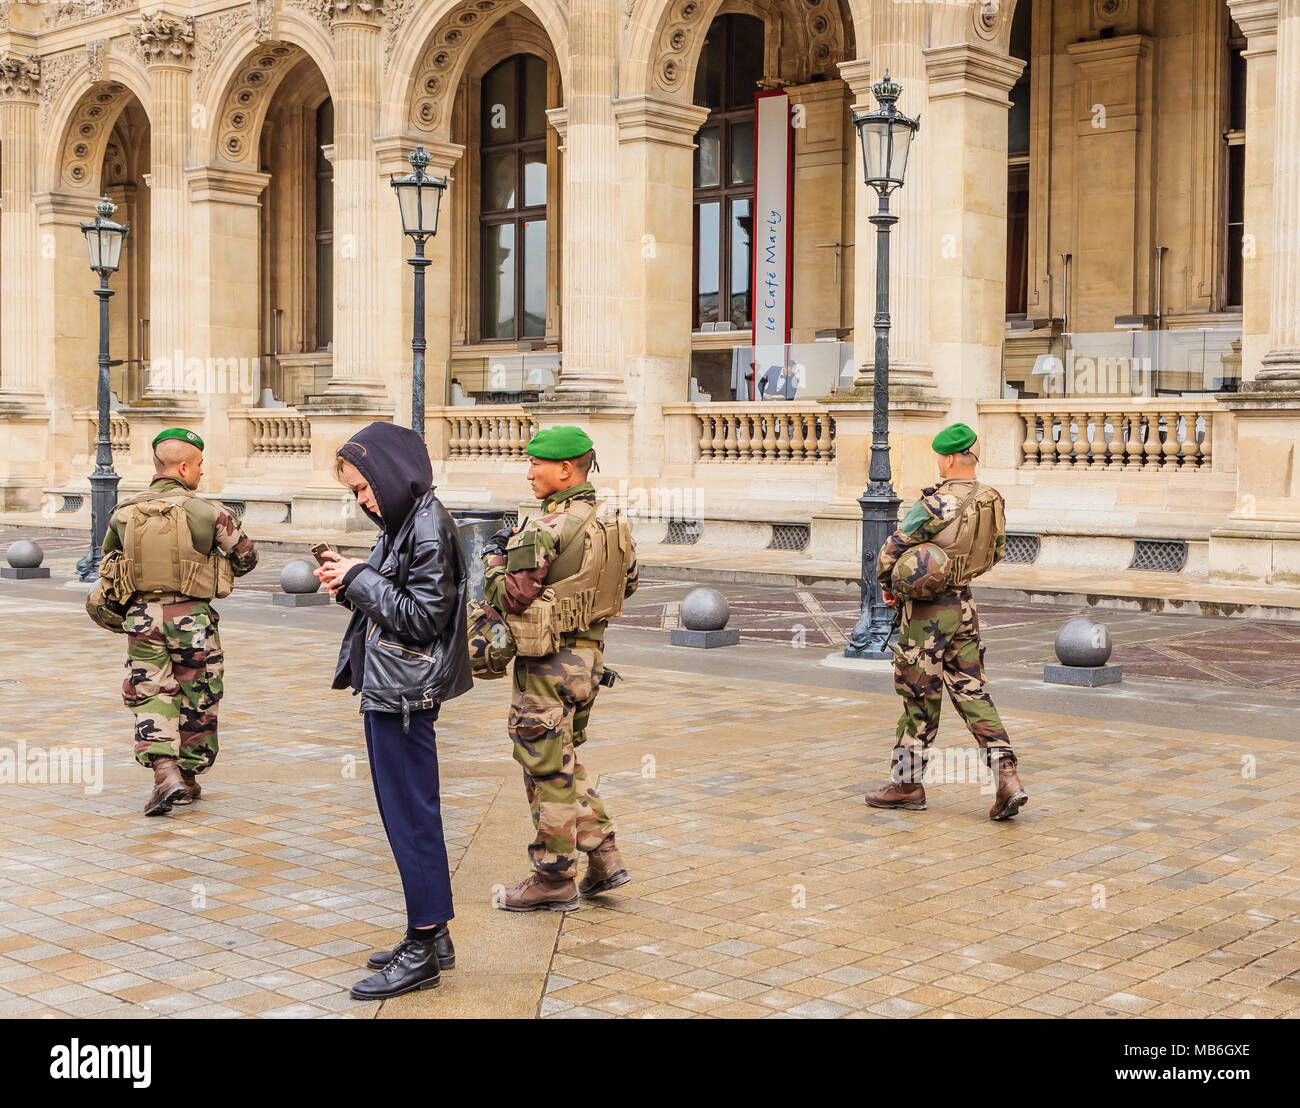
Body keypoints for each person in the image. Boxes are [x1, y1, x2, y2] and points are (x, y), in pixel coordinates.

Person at [315, 421, 472, 1001]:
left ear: (390, 474)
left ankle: (423, 944)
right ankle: (436, 936)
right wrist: (352, 579)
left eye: (365, 487)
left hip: (405, 694)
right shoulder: (407, 522)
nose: (362, 501)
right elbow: (395, 598)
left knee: (412, 820)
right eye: (355, 492)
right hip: (391, 688)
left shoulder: (427, 528)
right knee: (408, 815)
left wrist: (358, 577)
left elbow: (421, 618)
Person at [483, 426, 638, 912]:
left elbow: (512, 595)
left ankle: (553, 878)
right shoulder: (610, 524)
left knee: (544, 770)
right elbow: (628, 585)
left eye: (537, 465)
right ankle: (604, 856)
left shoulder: (547, 528)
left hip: (547, 664)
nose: (529, 473)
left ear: (566, 470)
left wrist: (492, 558)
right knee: (565, 758)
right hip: (588, 661)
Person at [865, 421, 1029, 821]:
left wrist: (890, 584)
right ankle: (1007, 776)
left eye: (941, 456)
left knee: (919, 696)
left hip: (927, 612)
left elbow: (893, 548)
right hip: (965, 607)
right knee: (972, 690)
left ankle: (906, 785)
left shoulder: (937, 503)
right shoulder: (990, 499)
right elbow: (996, 552)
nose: (939, 462)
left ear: (951, 458)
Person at [104, 428, 258, 817]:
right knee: (198, 694)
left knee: (152, 693)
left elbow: (109, 563)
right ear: (185, 466)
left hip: (142, 619)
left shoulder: (123, 514)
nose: (201, 473)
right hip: (192, 618)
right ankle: (186, 776)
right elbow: (246, 558)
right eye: (200, 465)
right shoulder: (209, 511)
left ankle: (166, 773)